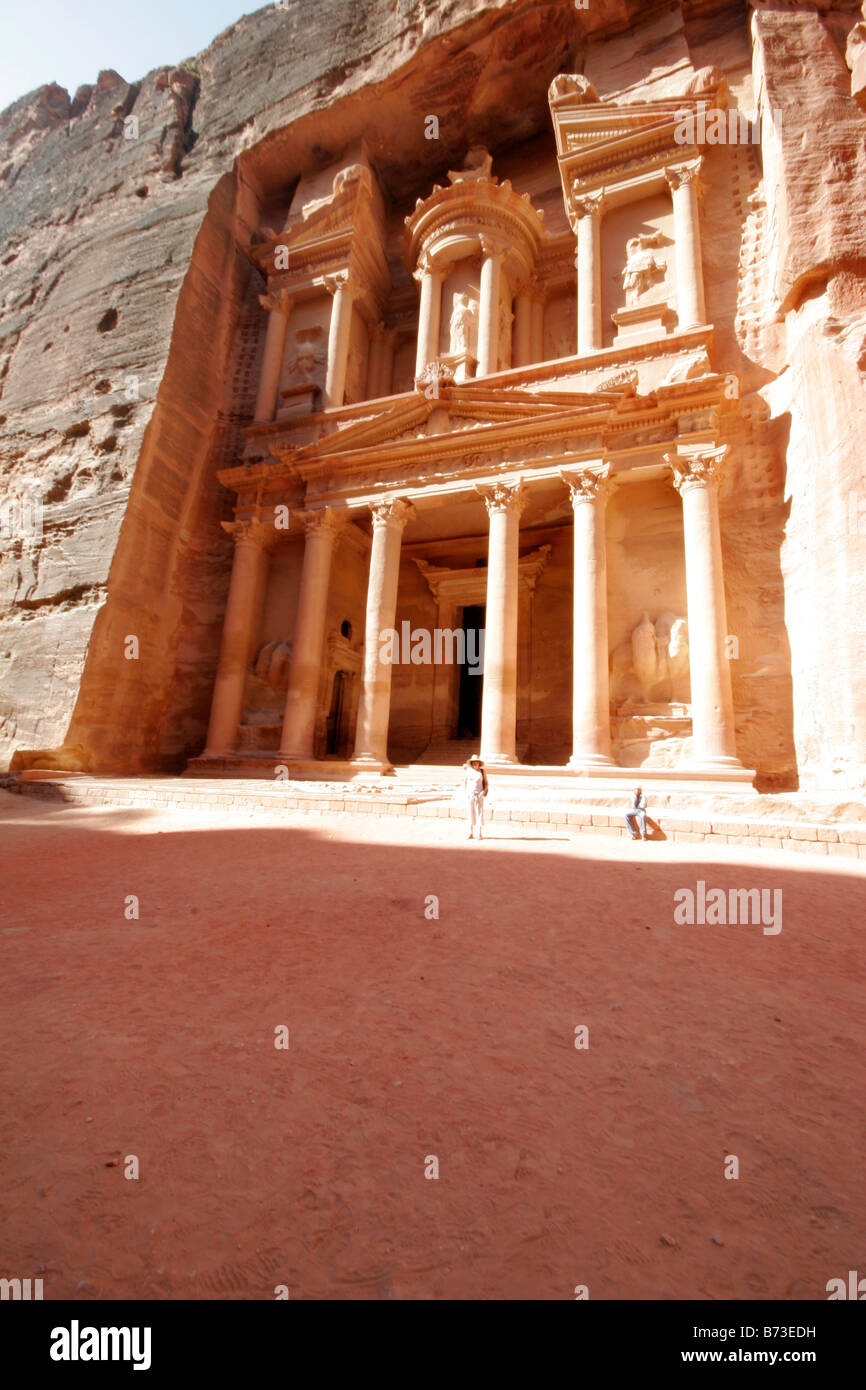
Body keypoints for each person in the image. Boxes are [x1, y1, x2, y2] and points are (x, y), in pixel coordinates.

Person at [463, 755, 488, 840]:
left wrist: (483, 792)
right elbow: (465, 782)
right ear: (471, 763)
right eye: (473, 762)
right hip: (470, 795)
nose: (475, 763)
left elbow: (486, 783)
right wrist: (466, 793)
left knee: (479, 813)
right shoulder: (468, 771)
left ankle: (479, 833)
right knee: (470, 812)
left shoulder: (482, 771)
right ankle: (470, 832)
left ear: (479, 763)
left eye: (477, 762)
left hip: (479, 794)